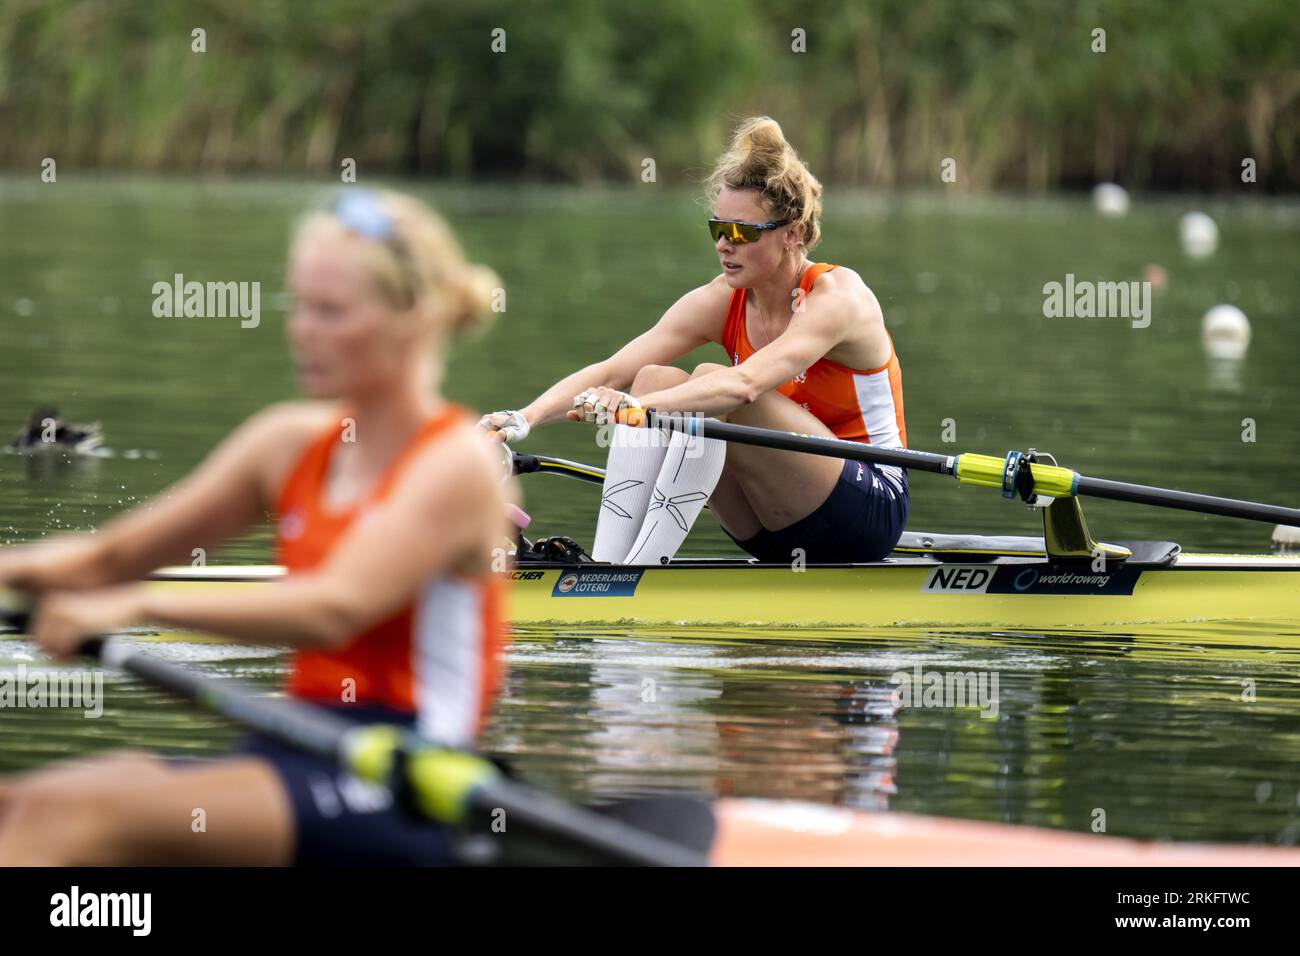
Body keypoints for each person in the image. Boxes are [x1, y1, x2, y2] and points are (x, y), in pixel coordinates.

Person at [0, 188, 510, 865]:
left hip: (408, 775)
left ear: (410, 317)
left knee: (75, 816)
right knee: (19, 804)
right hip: (298, 742)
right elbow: (108, 557)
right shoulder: (285, 443)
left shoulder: (457, 463)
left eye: (329, 311)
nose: (301, 329)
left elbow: (336, 607)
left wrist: (140, 605)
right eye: (297, 305)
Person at [481, 116, 908, 565]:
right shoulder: (722, 299)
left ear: (794, 233)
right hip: (768, 522)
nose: (725, 245)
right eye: (717, 229)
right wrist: (523, 418)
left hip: (867, 509)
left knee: (710, 381)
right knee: (652, 377)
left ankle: (639, 574)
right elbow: (613, 371)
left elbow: (743, 386)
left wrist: (637, 411)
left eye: (742, 232)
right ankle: (608, 569)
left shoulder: (838, 297)